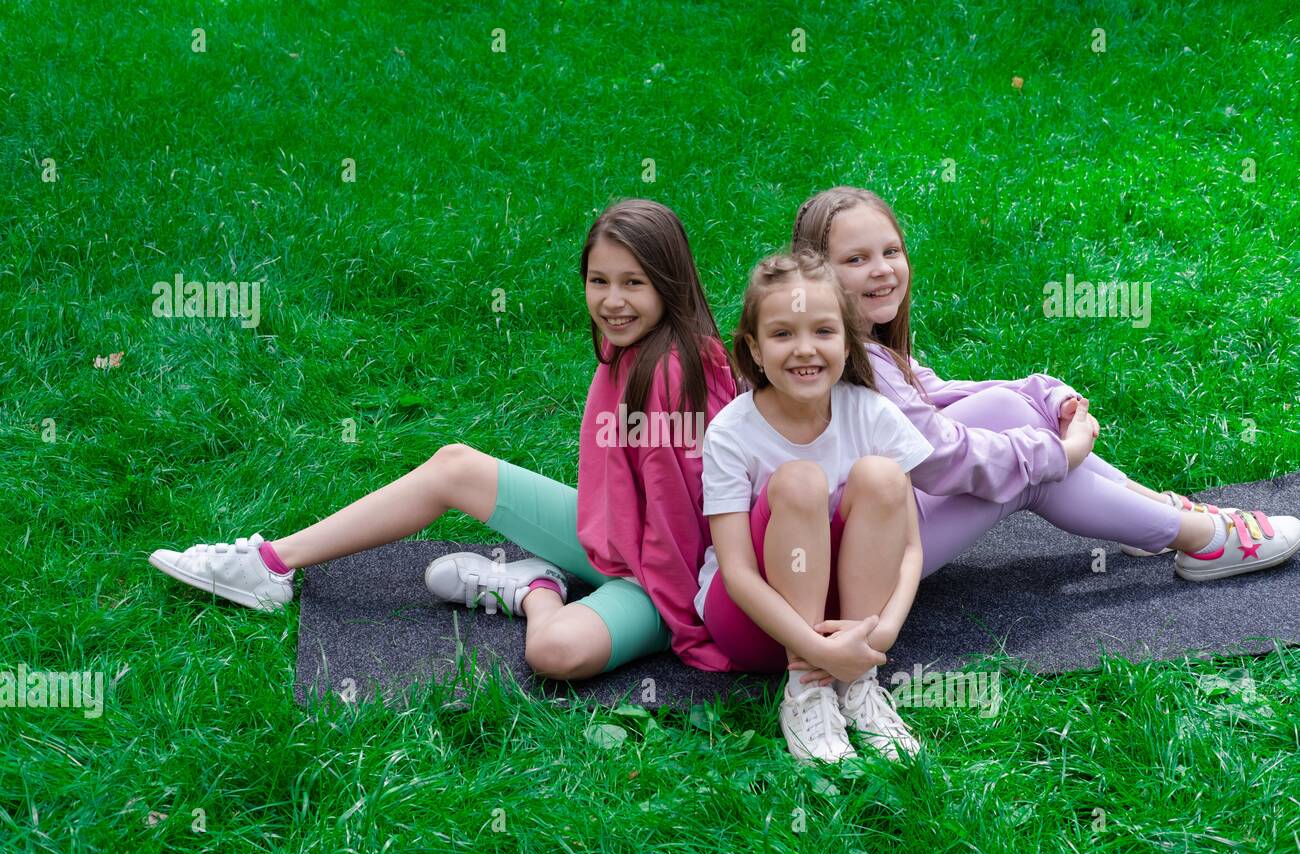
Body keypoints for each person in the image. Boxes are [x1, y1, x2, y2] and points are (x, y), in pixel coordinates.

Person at [149, 199, 740, 680]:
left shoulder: (669, 373)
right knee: (454, 466)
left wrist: (689, 624)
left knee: (554, 654)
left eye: (633, 282)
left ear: (669, 282)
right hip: (621, 541)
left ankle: (536, 587)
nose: (611, 301)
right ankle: (270, 564)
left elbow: (680, 518)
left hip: (673, 585)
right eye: (598, 280)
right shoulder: (637, 344)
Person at [790, 186, 1300, 582]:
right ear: (819, 276)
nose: (882, 270)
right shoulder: (847, 367)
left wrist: (1040, 392)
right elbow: (947, 460)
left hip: (874, 531)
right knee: (1026, 473)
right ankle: (1202, 538)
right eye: (856, 260)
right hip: (854, 568)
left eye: (891, 251)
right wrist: (1062, 452)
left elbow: (935, 394)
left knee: (1009, 414)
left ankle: (1161, 514)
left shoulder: (864, 348)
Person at [698, 250, 935, 764]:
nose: (805, 349)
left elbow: (912, 550)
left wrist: (881, 632)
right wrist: (818, 652)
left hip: (849, 624)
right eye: (783, 334)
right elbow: (736, 574)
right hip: (754, 622)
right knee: (800, 481)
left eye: (823, 331)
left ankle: (858, 689)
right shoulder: (731, 433)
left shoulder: (875, 416)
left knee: (881, 476)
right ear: (755, 350)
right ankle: (806, 691)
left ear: (848, 343)